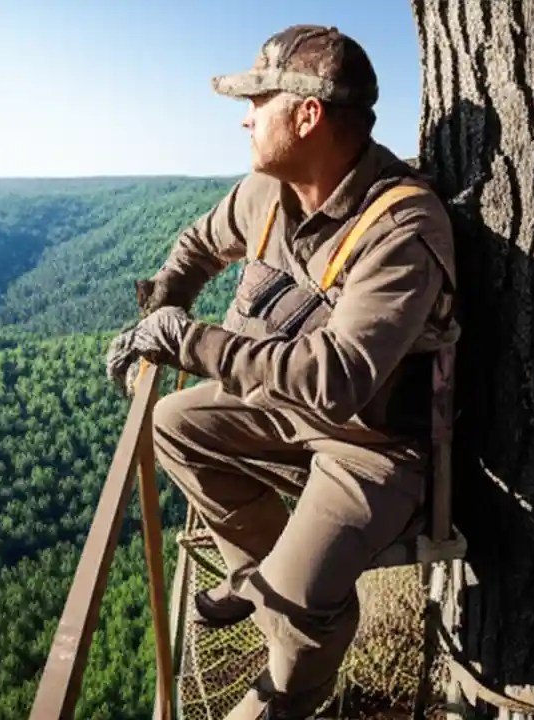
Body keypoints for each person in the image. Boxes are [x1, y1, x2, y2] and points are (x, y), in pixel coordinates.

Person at [105, 25, 459, 720]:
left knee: (298, 610)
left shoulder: (403, 227)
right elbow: (200, 245)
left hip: (374, 448)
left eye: (257, 100)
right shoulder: (268, 192)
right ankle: (257, 573)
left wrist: (187, 340)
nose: (244, 116)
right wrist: (163, 311)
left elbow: (339, 380)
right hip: (292, 410)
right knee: (173, 423)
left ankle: (291, 689)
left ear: (307, 114)